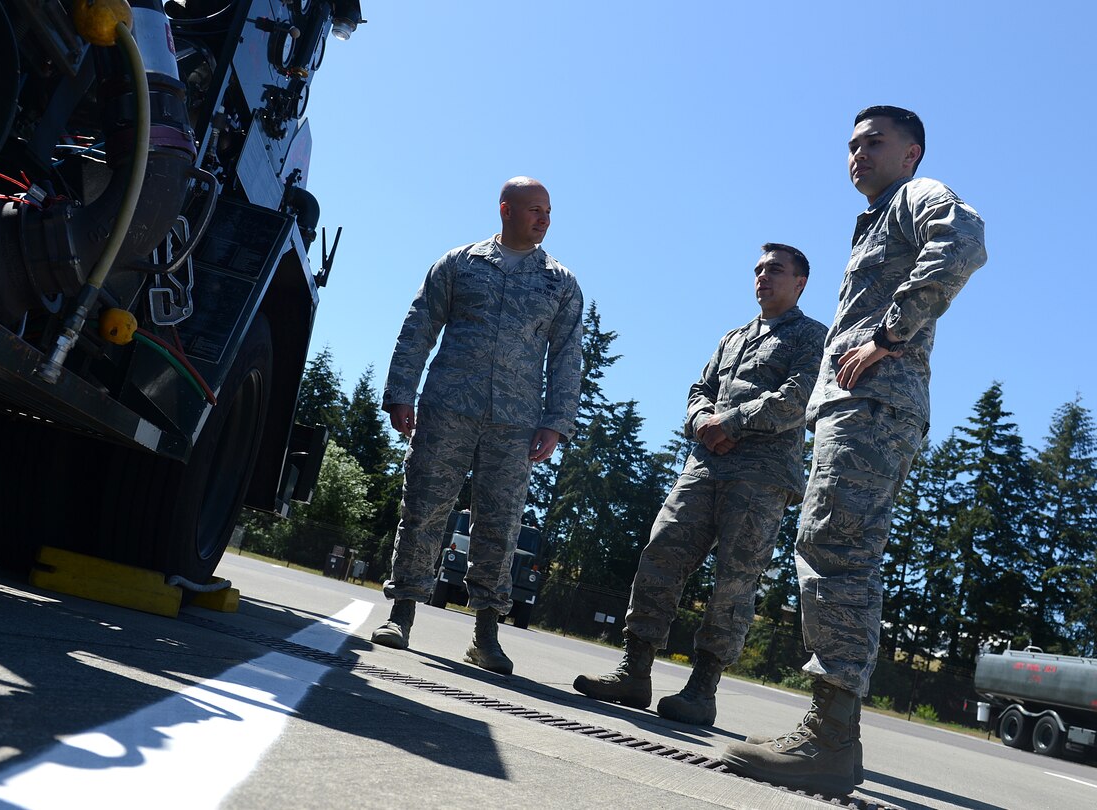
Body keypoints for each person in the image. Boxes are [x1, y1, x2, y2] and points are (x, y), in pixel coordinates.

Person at [722, 106, 987, 795]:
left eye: (874, 142)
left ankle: (831, 739)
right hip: (858, 409)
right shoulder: (877, 220)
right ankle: (828, 729)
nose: (858, 154)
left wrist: (890, 334)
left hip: (873, 404)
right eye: (850, 145)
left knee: (836, 553)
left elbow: (965, 238)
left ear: (912, 152)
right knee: (830, 548)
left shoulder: (916, 198)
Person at [573, 244, 826, 722]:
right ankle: (634, 673)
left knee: (735, 578)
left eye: (775, 269)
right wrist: (702, 420)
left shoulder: (813, 337)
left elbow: (797, 398)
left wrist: (729, 422)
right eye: (757, 269)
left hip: (761, 475)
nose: (762, 277)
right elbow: (698, 390)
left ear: (800, 283)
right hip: (705, 465)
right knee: (660, 554)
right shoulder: (733, 337)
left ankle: (702, 692)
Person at [369, 176, 583, 675]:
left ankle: (486, 633)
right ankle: (401, 614)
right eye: (534, 210)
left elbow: (568, 357)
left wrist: (556, 422)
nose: (544, 219)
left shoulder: (561, 283)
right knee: (423, 507)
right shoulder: (460, 264)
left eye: (548, 212)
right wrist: (401, 391)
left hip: (515, 423)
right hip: (447, 408)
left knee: (501, 524)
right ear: (505, 209)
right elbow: (419, 326)